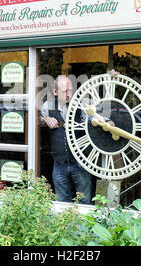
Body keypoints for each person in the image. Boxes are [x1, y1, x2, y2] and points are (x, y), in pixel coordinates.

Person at [40, 75, 93, 204]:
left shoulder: (82, 104)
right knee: (62, 202)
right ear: (55, 92)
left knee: (85, 201)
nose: (69, 94)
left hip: (81, 163)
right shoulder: (48, 106)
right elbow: (34, 120)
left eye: (70, 91)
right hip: (59, 164)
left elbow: (97, 119)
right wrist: (45, 119)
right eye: (65, 92)